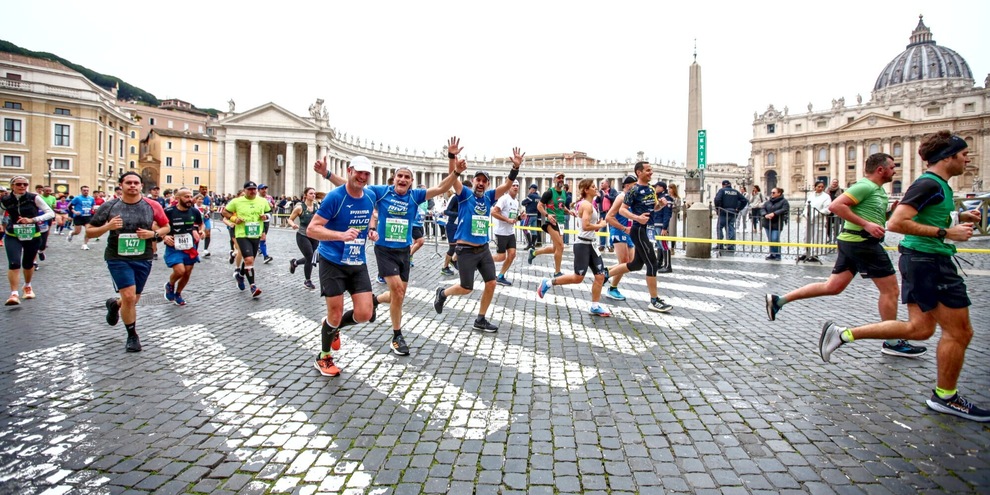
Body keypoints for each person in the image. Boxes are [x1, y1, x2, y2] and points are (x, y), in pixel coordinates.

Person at [818, 132, 989, 422]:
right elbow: (898, 222)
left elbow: (923, 216)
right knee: (960, 332)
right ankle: (946, 396)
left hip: (924, 259)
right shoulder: (928, 184)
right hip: (928, 260)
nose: (967, 159)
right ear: (947, 157)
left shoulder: (938, 186)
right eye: (963, 154)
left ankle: (843, 334)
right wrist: (946, 233)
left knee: (919, 330)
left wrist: (956, 220)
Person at [766, 153, 925, 357]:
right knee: (891, 291)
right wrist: (866, 225)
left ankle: (778, 301)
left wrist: (886, 214)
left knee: (832, 287)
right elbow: (835, 206)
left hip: (853, 241)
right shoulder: (865, 186)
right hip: (862, 243)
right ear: (880, 169)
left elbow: (867, 215)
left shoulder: (877, 190)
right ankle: (891, 341)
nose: (895, 170)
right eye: (892, 167)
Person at [363, 152, 464, 355]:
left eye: (406, 177)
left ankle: (374, 301)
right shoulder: (381, 192)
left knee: (397, 295)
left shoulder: (415, 195)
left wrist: (455, 171)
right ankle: (397, 336)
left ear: (411, 182)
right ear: (394, 178)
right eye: (399, 176)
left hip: (403, 251)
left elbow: (442, 188)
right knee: (398, 292)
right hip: (384, 250)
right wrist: (328, 174)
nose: (402, 179)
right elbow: (355, 188)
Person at [434, 144, 526, 333]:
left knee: (491, 283)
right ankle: (442, 293)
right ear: (473, 181)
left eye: (485, 181)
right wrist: (452, 158)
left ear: (488, 184)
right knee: (466, 287)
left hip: (483, 248)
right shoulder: (465, 195)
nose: (481, 183)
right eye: (478, 180)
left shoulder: (489, 197)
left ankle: (481, 319)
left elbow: (508, 185)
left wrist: (515, 167)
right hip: (465, 249)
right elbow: (452, 180)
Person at [306, 156, 379, 377]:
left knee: (365, 313)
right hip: (332, 261)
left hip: (357, 260)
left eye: (366, 174)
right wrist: (340, 235)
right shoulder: (334, 197)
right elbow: (312, 229)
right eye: (359, 172)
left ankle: (332, 327)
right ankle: (324, 356)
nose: (362, 177)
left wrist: (371, 231)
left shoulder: (370, 196)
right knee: (335, 313)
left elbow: (368, 218)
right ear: (349, 171)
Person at [87, 172, 170, 352]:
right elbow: (89, 231)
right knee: (129, 296)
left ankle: (114, 304)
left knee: (133, 299)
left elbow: (166, 226)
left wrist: (153, 234)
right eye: (128, 183)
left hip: (143, 256)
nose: (132, 186)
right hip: (117, 257)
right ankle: (132, 335)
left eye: (136, 183)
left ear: (141, 186)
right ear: (121, 185)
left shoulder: (152, 205)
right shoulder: (109, 206)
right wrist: (107, 227)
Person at [605, 162, 674, 313]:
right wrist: (637, 218)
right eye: (648, 170)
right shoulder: (633, 190)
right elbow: (622, 210)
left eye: (651, 170)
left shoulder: (650, 189)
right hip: (638, 230)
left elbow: (653, 208)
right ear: (639, 172)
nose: (651, 173)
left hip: (645, 228)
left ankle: (605, 274)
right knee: (653, 263)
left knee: (636, 264)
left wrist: (660, 205)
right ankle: (654, 300)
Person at [536, 179, 611, 317]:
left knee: (600, 276)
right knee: (578, 278)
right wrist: (600, 225)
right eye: (593, 187)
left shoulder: (591, 205)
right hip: (583, 245)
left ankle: (595, 306)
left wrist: (598, 225)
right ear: (586, 190)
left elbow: (589, 227)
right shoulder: (586, 205)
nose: (596, 188)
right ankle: (548, 282)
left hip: (591, 244)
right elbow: (585, 226)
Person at [1, 176, 55, 305]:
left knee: (28, 263)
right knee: (14, 263)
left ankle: (27, 286)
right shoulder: (6, 199)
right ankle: (14, 294)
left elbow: (50, 213)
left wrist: (33, 220)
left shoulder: (34, 197)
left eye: (25, 184)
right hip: (13, 234)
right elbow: (1, 212)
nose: (22, 187)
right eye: (19, 184)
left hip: (32, 234)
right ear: (12, 185)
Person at [222, 181, 272, 298]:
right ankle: (253, 287)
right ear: (244, 190)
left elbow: (269, 212)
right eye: (250, 189)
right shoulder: (236, 201)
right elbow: (224, 212)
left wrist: (266, 217)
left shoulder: (262, 201)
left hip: (255, 233)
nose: (252, 191)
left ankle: (240, 275)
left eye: (254, 189)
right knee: (249, 260)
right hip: (242, 234)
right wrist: (234, 218)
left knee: (250, 261)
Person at [162, 188, 204, 306]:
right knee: (180, 270)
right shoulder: (169, 211)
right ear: (178, 198)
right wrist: (164, 236)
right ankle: (170, 284)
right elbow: (156, 225)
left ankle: (178, 293)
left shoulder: (194, 212)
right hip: (174, 246)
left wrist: (201, 231)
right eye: (186, 197)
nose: (190, 199)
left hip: (189, 246)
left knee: (187, 272)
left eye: (191, 197)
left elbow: (200, 224)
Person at [528, 172, 571, 277]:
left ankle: (534, 253)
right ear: (554, 180)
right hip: (551, 222)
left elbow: (561, 205)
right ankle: (557, 272)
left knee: (555, 249)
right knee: (561, 246)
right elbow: (539, 206)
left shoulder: (564, 193)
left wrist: (569, 211)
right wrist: (548, 215)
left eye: (562, 178)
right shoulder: (549, 193)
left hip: (561, 223)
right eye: (558, 178)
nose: (561, 179)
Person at [603, 175, 638, 301]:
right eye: (635, 185)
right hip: (619, 230)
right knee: (624, 262)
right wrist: (623, 228)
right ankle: (612, 288)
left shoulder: (631, 198)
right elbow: (608, 217)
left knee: (631, 263)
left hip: (628, 232)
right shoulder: (621, 197)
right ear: (627, 186)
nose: (637, 187)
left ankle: (606, 271)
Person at [491, 180, 524, 286]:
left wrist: (519, 218)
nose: (515, 187)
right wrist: (506, 220)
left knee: (512, 254)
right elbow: (493, 212)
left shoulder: (516, 201)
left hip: (510, 232)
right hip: (501, 232)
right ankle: (482, 259)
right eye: (513, 185)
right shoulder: (504, 198)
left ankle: (500, 276)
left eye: (517, 186)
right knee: (501, 257)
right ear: (509, 187)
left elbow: (512, 218)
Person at [288, 187, 320, 290]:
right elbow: (290, 219)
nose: (313, 195)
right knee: (310, 256)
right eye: (311, 193)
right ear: (305, 195)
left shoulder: (317, 206)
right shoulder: (300, 207)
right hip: (302, 235)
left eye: (314, 194)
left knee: (316, 257)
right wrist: (293, 225)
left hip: (314, 235)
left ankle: (295, 262)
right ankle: (307, 280)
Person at [713, 179, 747, 250]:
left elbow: (717, 199)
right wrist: (738, 208)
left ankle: (720, 244)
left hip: (724, 212)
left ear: (723, 185)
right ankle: (731, 245)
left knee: (720, 227)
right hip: (733, 212)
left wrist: (718, 208)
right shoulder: (735, 192)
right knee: (731, 227)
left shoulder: (722, 191)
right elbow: (744, 200)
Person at [761, 187, 789, 260]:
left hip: (777, 223)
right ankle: (772, 254)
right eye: (771, 192)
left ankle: (777, 254)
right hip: (767, 223)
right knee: (770, 239)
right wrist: (765, 215)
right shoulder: (768, 201)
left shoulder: (784, 201)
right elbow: (763, 208)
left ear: (779, 193)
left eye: (773, 192)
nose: (772, 194)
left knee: (775, 239)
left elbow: (784, 209)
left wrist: (774, 213)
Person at [652, 181, 673, 273]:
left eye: (656, 186)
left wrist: (665, 227)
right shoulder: (659, 197)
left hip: (661, 224)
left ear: (662, 188)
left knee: (664, 245)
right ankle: (659, 263)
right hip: (656, 223)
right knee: (659, 244)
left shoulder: (666, 198)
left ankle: (668, 265)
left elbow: (667, 214)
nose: (655, 188)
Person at [67, 185, 96, 250]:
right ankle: (72, 233)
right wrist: (74, 212)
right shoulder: (77, 198)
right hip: (78, 217)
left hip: (88, 216)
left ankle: (85, 244)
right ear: (81, 191)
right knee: (77, 232)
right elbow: (69, 206)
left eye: (87, 190)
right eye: (84, 190)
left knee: (88, 231)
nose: (86, 192)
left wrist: (93, 209)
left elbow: (93, 205)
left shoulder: (91, 198)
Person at [595, 179, 617, 252]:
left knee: (612, 230)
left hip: (610, 213)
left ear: (607, 184)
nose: (601, 184)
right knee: (602, 229)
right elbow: (597, 201)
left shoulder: (613, 191)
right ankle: (602, 245)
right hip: (602, 213)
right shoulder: (601, 192)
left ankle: (611, 246)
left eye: (602, 183)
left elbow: (615, 199)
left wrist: (606, 196)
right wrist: (598, 196)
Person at [520, 184, 542, 250]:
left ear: (532, 189)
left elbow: (523, 202)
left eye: (529, 189)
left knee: (524, 228)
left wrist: (527, 204)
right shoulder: (539, 197)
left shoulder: (531, 196)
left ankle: (529, 244)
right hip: (536, 215)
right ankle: (533, 245)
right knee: (534, 230)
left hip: (529, 215)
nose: (529, 190)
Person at [257, 184, 275, 264]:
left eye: (265, 188)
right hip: (257, 221)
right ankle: (265, 256)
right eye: (262, 189)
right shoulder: (256, 199)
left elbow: (273, 207)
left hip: (266, 220)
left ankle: (259, 247)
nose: (264, 190)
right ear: (259, 190)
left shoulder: (269, 198)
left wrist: (272, 206)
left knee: (262, 237)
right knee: (262, 237)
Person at [198, 185, 213, 257]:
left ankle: (205, 249)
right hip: (197, 219)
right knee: (196, 234)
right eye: (203, 189)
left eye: (206, 189)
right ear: (199, 190)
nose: (204, 191)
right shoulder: (196, 197)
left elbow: (211, 207)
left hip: (206, 218)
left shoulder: (209, 198)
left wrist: (211, 211)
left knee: (208, 233)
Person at [667, 183, 682, 249]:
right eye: (669, 188)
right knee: (666, 230)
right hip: (666, 214)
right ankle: (665, 247)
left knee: (672, 230)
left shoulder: (677, 198)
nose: (669, 190)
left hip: (673, 214)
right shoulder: (666, 197)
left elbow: (678, 208)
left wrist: (672, 206)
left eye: (671, 188)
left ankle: (672, 247)